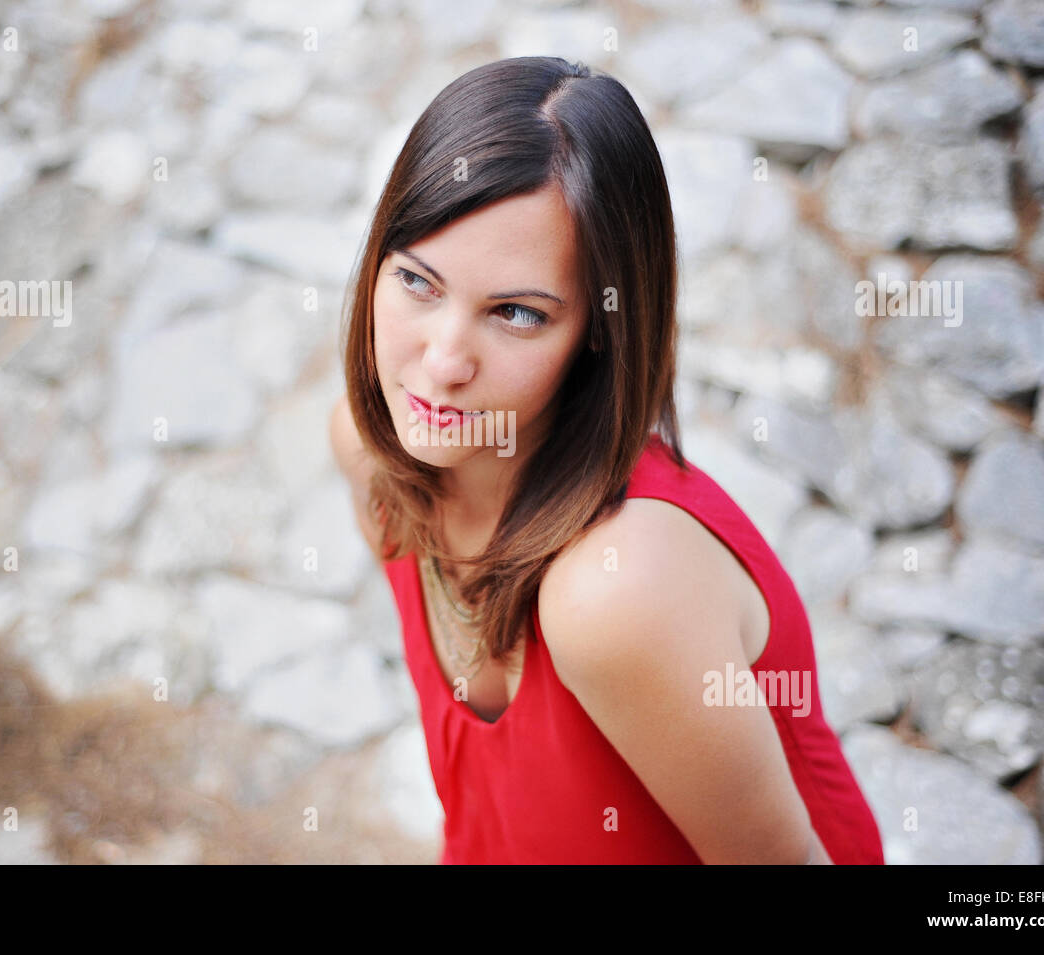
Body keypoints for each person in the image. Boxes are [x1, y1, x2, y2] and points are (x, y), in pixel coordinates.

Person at [328, 56, 884, 865]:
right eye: (418, 280)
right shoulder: (373, 453)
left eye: (515, 312)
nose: (443, 361)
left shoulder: (615, 590)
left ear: (599, 324)